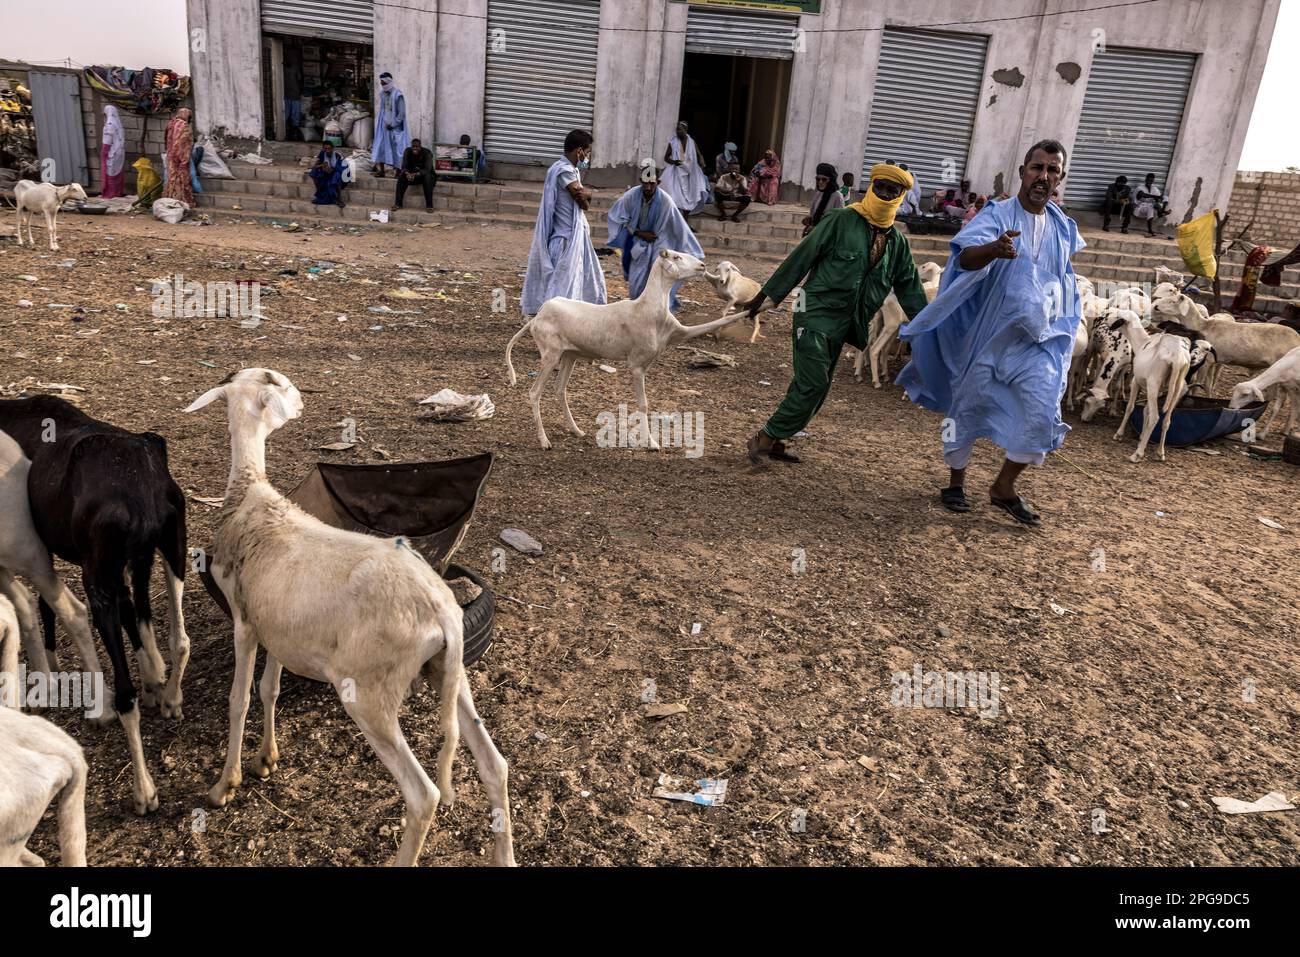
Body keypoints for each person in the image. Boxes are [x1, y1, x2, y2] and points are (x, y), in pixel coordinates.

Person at [895, 139, 1086, 527]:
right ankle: (955, 483)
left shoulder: (1064, 228)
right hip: (988, 335)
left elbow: (1064, 280)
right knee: (967, 406)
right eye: (1037, 168)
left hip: (1039, 340)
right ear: (1023, 172)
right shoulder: (999, 214)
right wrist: (993, 250)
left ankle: (1003, 487)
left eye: (1052, 170)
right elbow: (964, 256)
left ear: (1060, 178)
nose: (1043, 176)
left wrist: (1067, 324)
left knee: (1043, 412)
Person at [740, 163, 928, 464]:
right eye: (881, 187)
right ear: (871, 188)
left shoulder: (897, 244)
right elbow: (803, 255)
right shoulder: (841, 220)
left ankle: (778, 439)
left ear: (902, 196)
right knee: (812, 381)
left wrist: (929, 331)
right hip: (813, 313)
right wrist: (765, 296)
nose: (886, 194)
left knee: (817, 386)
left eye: (894, 190)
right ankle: (764, 437)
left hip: (846, 324)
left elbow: (912, 291)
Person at [520, 128, 607, 316]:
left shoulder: (562, 169)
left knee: (571, 286)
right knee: (562, 291)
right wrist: (590, 194)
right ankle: (554, 326)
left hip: (568, 239)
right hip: (566, 241)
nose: (588, 157)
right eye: (588, 152)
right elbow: (583, 202)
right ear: (579, 151)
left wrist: (586, 194)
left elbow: (582, 197)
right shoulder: (565, 171)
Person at [607, 161, 703, 311]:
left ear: (658, 182)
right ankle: (637, 311)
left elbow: (679, 226)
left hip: (659, 241)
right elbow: (617, 216)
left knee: (660, 276)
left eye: (652, 184)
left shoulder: (666, 201)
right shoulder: (631, 195)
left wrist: (690, 251)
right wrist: (639, 232)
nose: (648, 187)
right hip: (638, 239)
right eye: (645, 183)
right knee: (637, 280)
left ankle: (659, 312)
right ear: (641, 181)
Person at [661, 121, 710, 217]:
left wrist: (701, 161)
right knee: (676, 196)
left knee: (689, 197)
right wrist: (674, 162)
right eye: (677, 130)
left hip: (690, 172)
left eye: (680, 129)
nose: (677, 132)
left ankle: (686, 223)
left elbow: (699, 154)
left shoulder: (691, 142)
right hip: (676, 173)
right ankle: (676, 221)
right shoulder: (672, 142)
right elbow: (666, 158)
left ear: (685, 130)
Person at [371, 72, 409, 178]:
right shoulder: (383, 94)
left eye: (384, 83)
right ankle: (381, 170)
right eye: (381, 83)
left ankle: (397, 172)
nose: (382, 85)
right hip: (383, 127)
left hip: (395, 128)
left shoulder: (398, 95)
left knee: (397, 150)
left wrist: (393, 124)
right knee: (380, 147)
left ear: (389, 82)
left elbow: (401, 113)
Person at [801, 162, 844, 237]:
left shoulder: (837, 196)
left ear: (830, 180)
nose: (820, 182)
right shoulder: (818, 193)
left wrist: (816, 228)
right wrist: (810, 219)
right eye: (818, 179)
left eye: (824, 179)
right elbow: (814, 214)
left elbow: (837, 222)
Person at [162, 107, 194, 205]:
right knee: (182, 179)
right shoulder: (184, 126)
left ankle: (170, 199)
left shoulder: (171, 123)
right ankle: (182, 201)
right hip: (180, 157)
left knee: (172, 178)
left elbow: (166, 138)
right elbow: (185, 144)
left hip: (171, 156)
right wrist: (184, 160)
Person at [394, 137, 435, 211]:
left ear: (420, 147)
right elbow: (404, 166)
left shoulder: (427, 153)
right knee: (401, 177)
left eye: (417, 147)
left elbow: (427, 170)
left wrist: (416, 174)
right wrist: (407, 174)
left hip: (422, 176)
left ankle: (429, 206)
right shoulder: (407, 151)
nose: (415, 149)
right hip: (411, 175)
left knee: (427, 177)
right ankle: (398, 204)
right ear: (411, 146)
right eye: (413, 147)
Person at [309, 141, 346, 207]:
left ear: (332, 149)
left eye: (329, 148)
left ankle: (338, 199)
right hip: (326, 173)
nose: (327, 150)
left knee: (336, 176)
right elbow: (315, 166)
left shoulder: (338, 155)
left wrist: (331, 169)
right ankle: (320, 194)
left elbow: (342, 169)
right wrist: (322, 165)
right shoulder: (322, 154)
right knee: (314, 172)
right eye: (325, 149)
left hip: (337, 173)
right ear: (323, 149)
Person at [100, 105, 125, 199]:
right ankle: (118, 192)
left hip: (112, 152)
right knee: (118, 173)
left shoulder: (110, 124)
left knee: (110, 173)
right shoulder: (118, 123)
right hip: (120, 152)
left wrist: (104, 153)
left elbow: (107, 141)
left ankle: (110, 193)